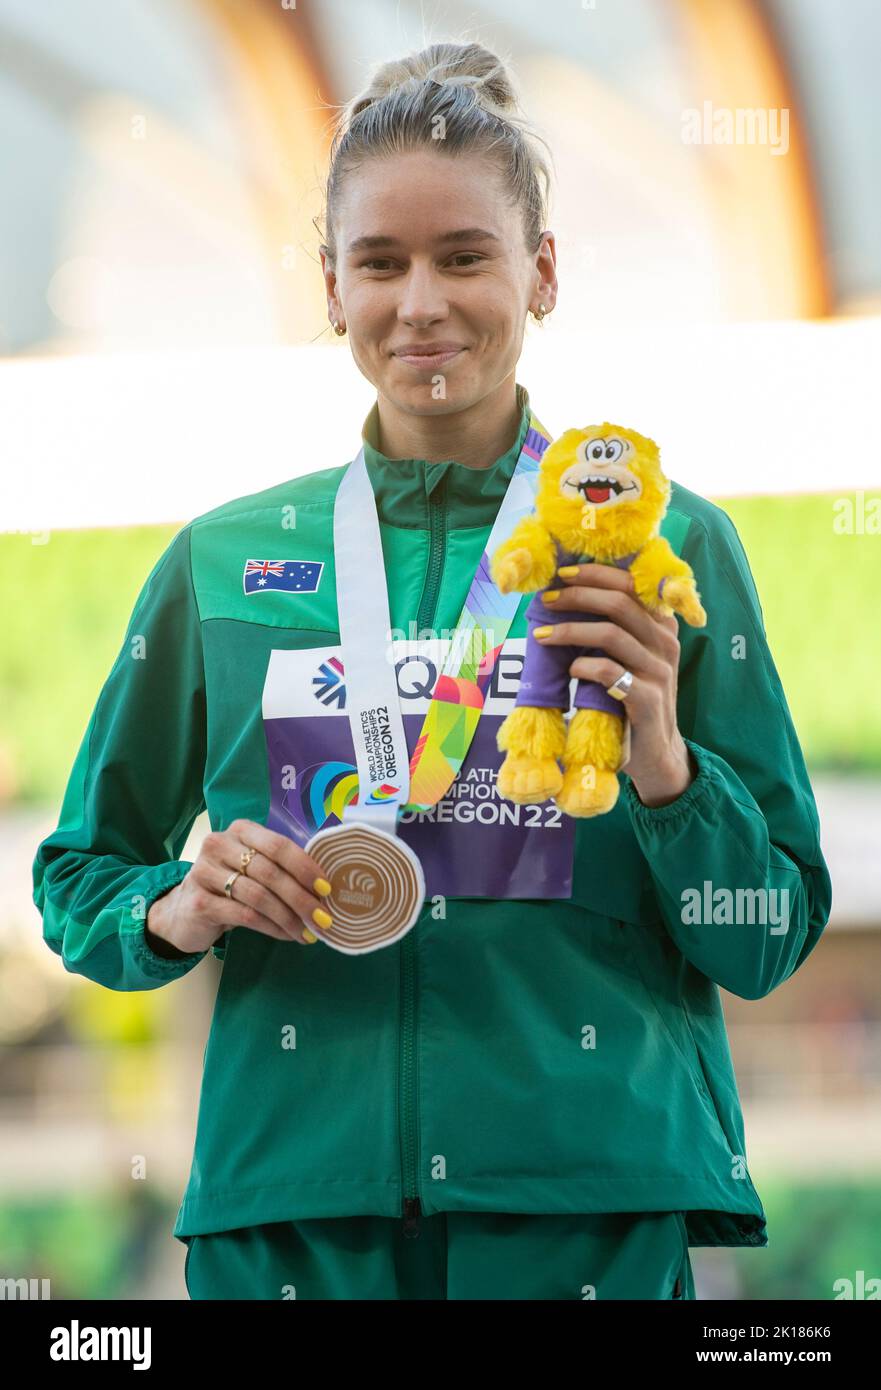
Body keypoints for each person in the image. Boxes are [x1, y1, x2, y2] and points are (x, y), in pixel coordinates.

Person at [32, 40, 832, 1301]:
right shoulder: (223, 560)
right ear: (331, 284)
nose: (421, 304)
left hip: (586, 1209)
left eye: (464, 256)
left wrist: (669, 772)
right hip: (289, 1210)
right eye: (380, 262)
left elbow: (769, 930)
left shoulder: (671, 546)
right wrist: (176, 907)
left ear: (543, 272)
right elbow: (79, 872)